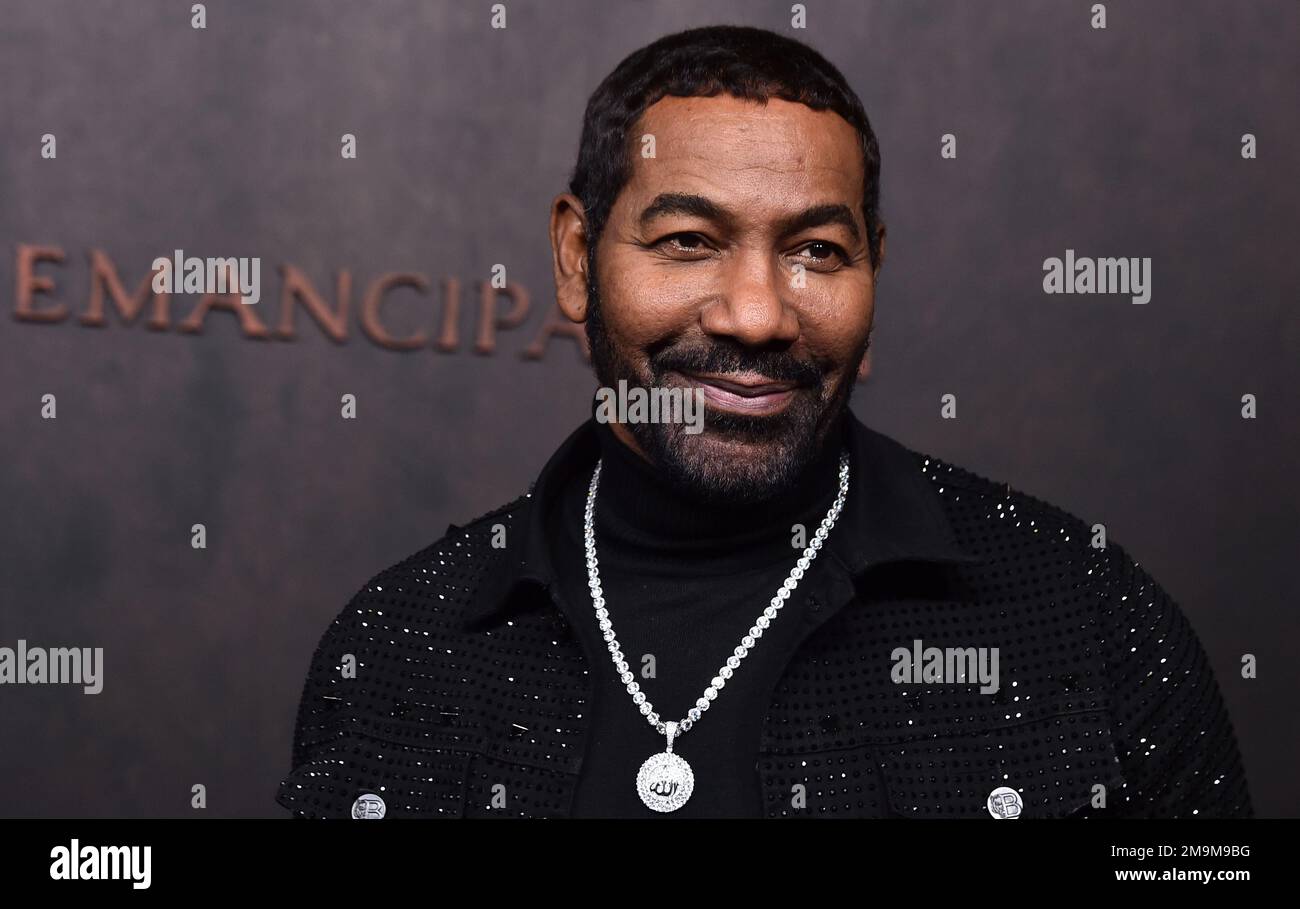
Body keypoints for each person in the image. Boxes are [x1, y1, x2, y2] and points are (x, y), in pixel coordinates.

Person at [276, 25, 1251, 819]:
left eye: (818, 252)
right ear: (576, 260)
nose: (757, 313)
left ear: (875, 267)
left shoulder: (1080, 615)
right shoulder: (401, 649)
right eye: (689, 241)